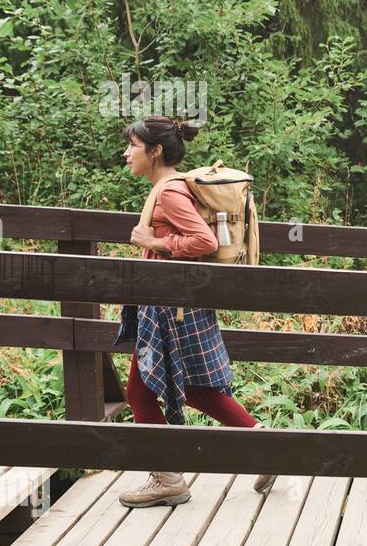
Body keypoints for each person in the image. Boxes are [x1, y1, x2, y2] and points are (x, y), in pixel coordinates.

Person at [116, 116, 274, 507]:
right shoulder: (170, 187)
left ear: (154, 151)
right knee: (195, 389)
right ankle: (268, 447)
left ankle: (167, 477)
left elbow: (202, 240)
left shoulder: (169, 192)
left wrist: (155, 240)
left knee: (139, 390)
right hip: (174, 305)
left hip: (169, 309)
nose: (126, 152)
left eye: (133, 145)